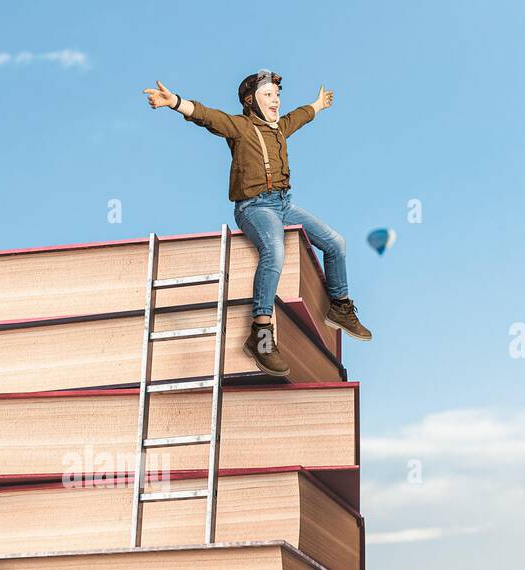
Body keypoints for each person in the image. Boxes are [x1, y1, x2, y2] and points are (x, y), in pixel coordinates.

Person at [142, 69, 371, 377]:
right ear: (251, 101)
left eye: (277, 96)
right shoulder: (240, 127)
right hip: (253, 207)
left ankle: (340, 308)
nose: (275, 101)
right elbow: (208, 116)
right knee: (274, 253)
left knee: (336, 242)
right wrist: (175, 102)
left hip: (283, 204)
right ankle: (260, 332)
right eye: (268, 96)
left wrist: (318, 105)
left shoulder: (281, 128)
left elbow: (300, 116)